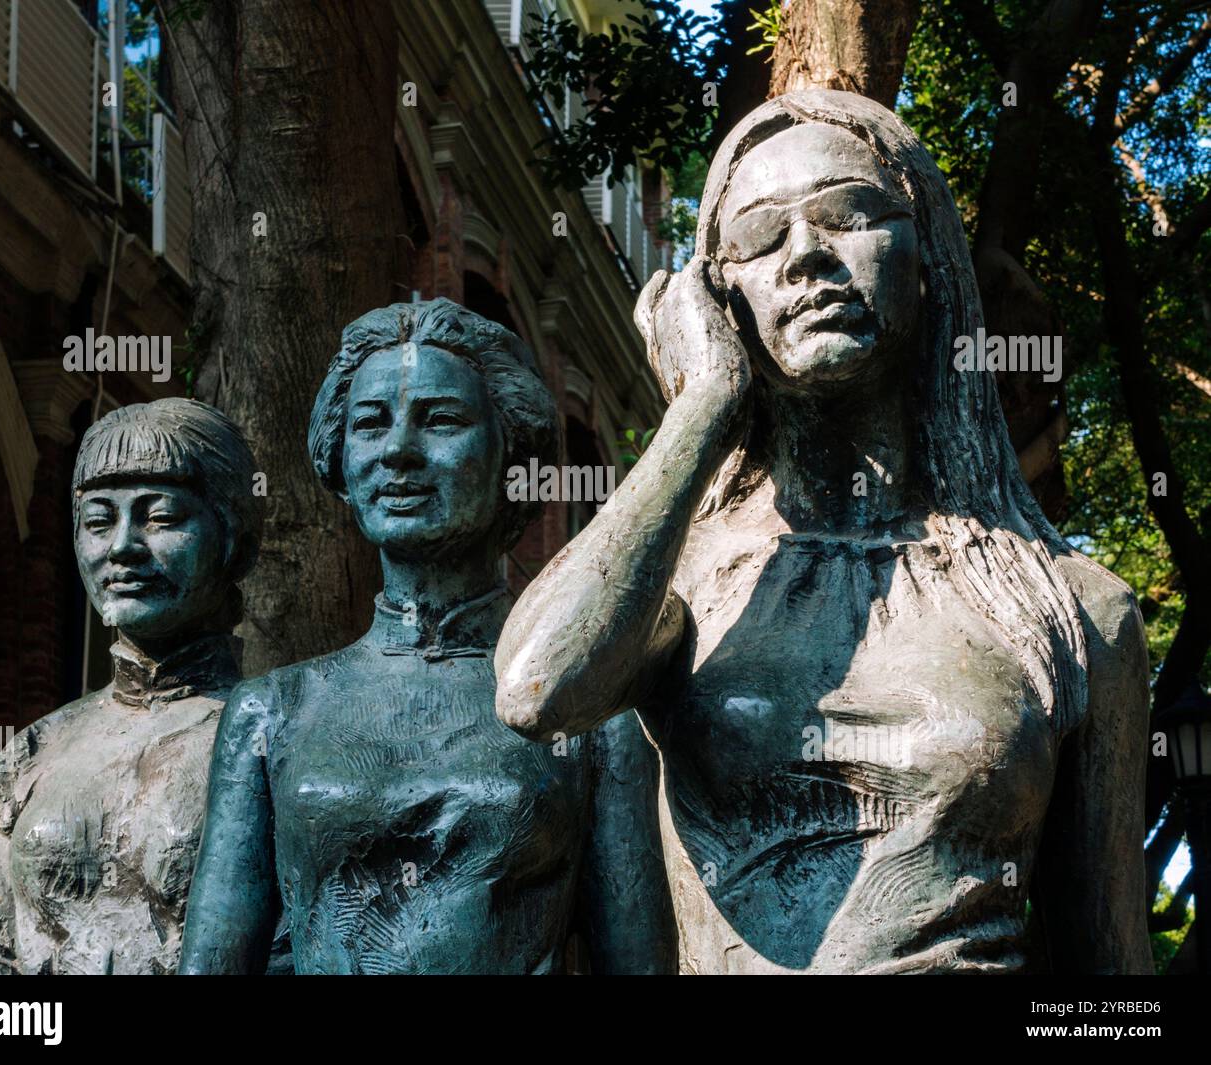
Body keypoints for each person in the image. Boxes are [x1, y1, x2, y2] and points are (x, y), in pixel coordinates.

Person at [494, 91, 1153, 974]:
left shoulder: (1077, 608)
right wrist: (702, 409)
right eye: (763, 237)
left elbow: (1110, 972)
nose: (807, 255)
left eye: (849, 215)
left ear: (928, 261)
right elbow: (536, 688)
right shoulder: (681, 580)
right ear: (717, 299)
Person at [179, 299, 673, 974]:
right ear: (341, 463)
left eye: (440, 419)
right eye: (371, 423)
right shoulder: (272, 712)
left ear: (510, 455)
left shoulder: (590, 719)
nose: (400, 451)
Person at [0, 398, 264, 974]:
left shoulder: (278, 735)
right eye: (99, 521)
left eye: (162, 518)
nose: (122, 547)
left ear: (233, 540)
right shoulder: (35, 752)